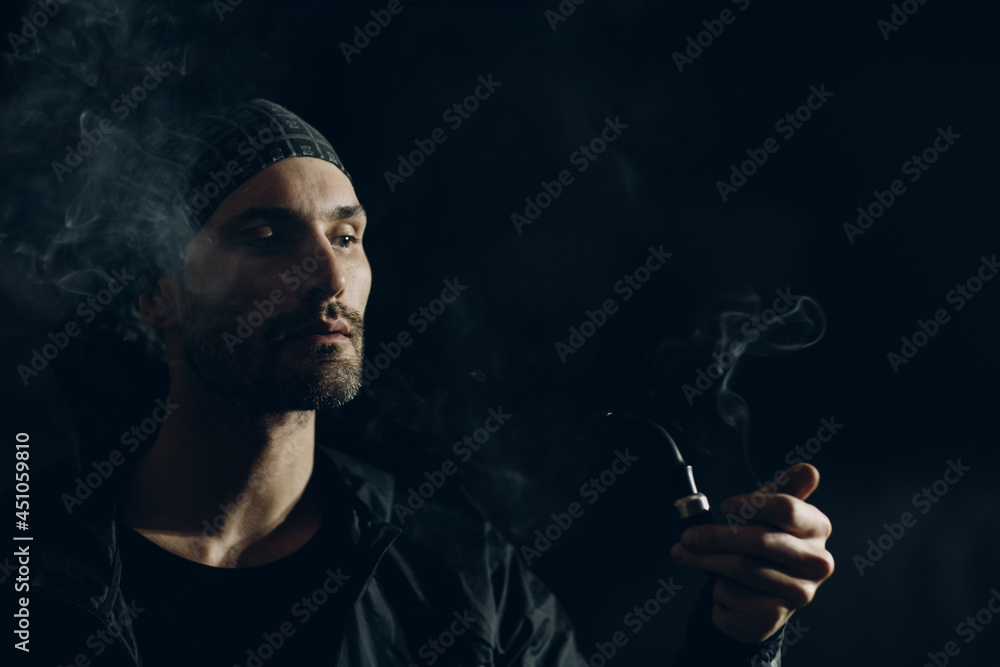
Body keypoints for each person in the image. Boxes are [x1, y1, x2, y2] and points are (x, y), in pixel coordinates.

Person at [22, 99, 833, 666]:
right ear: (157, 293)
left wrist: (737, 638)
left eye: (347, 235)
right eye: (265, 235)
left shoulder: (463, 580)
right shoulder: (32, 563)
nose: (327, 276)